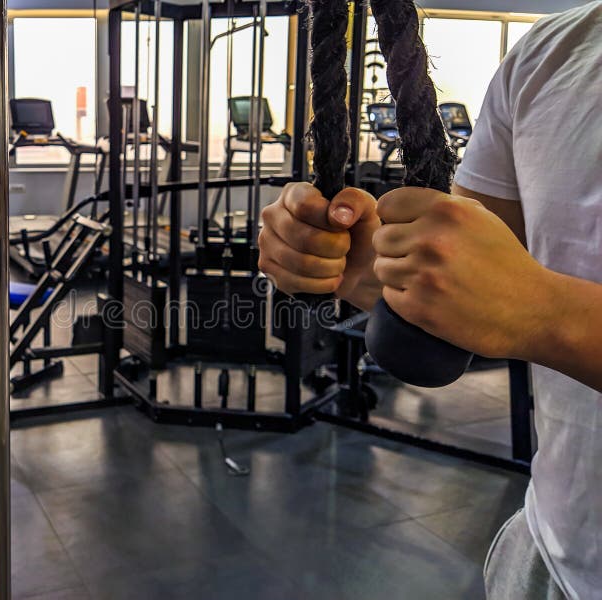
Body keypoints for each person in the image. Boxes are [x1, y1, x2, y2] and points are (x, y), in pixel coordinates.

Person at [258, 4, 602, 599]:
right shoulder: (551, 52)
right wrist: (370, 265)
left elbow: (530, 303)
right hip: (550, 551)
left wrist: (548, 315)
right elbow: (479, 283)